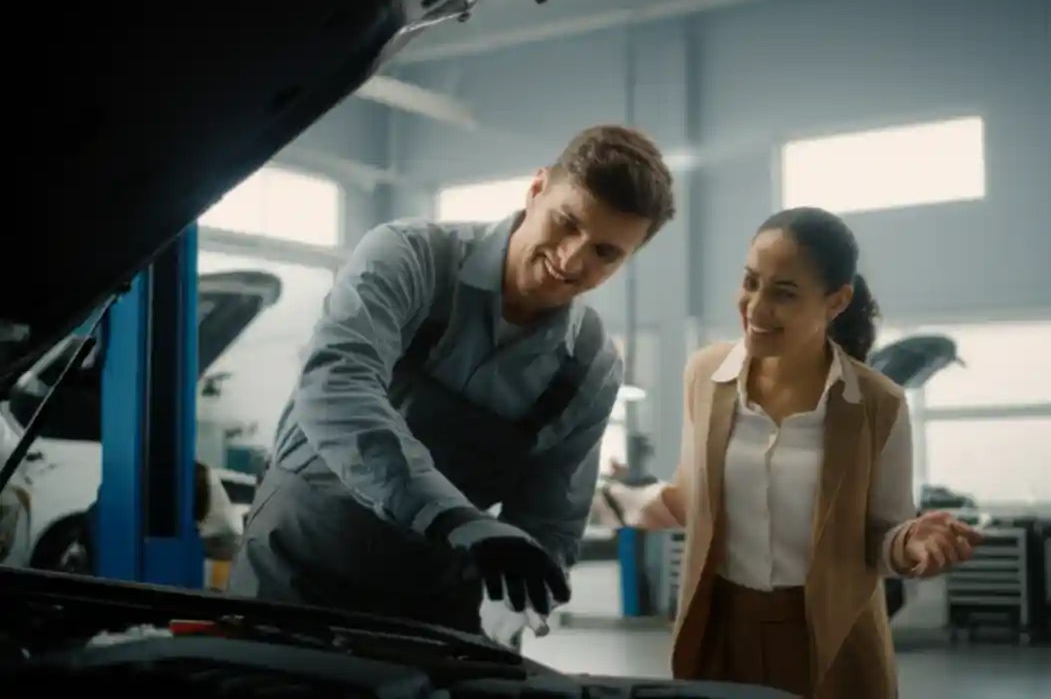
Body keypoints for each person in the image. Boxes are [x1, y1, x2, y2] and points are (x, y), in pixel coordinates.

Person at [227, 125, 676, 641]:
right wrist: (453, 517)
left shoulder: (592, 367)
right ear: (536, 189)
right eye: (567, 222)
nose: (573, 259)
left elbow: (551, 522)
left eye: (605, 253)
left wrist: (520, 605)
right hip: (295, 562)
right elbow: (336, 388)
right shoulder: (410, 257)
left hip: (431, 599)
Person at [605, 207, 982, 698]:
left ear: (836, 301)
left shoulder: (877, 401)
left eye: (783, 293)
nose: (756, 308)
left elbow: (881, 535)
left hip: (832, 635)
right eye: (750, 282)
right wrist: (605, 500)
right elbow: (689, 498)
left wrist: (911, 543)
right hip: (721, 632)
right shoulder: (706, 375)